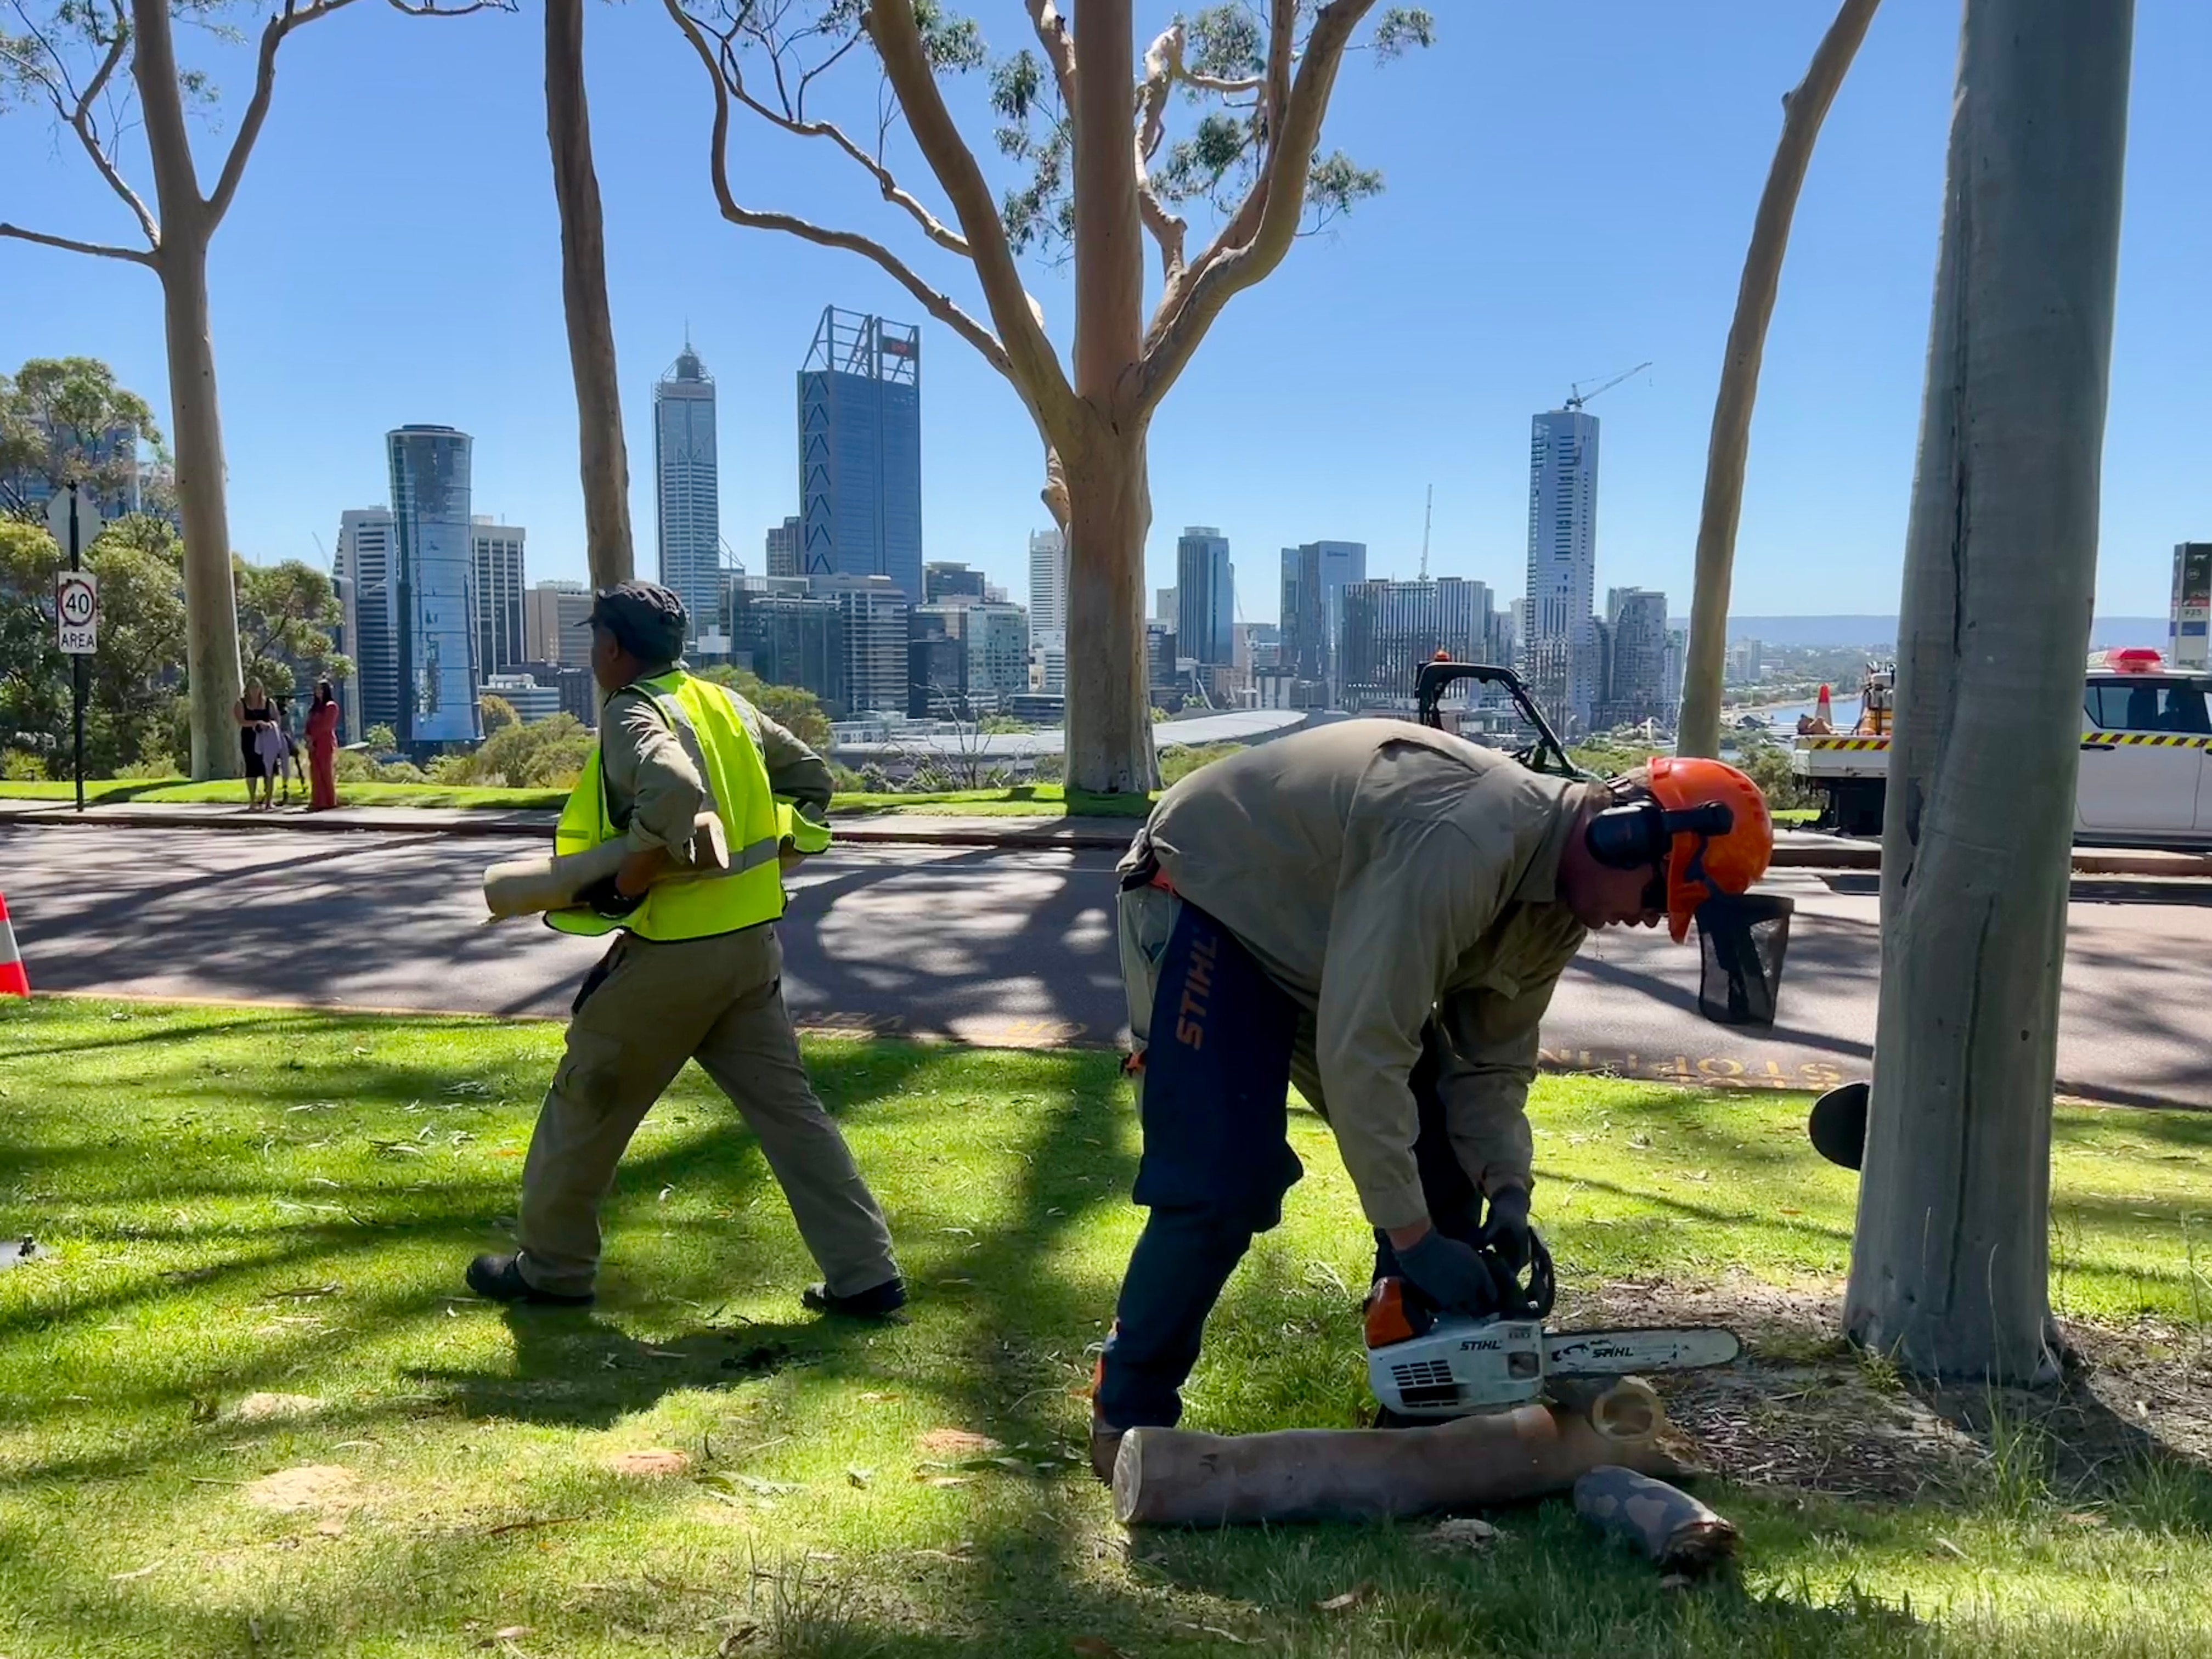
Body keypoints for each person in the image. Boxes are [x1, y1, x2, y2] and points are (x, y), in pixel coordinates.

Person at [1088, 723, 1774, 1477]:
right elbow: (1366, 1048)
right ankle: (1128, 1412)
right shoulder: (1464, 842)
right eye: (1655, 897)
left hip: (1327, 945)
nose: (1647, 920)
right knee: (1222, 1182)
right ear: (1621, 834)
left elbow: (1489, 1064)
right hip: (1214, 895)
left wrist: (1507, 1189)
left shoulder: (1557, 911)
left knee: (1443, 1161)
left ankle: (1424, 1417)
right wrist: (1413, 1240)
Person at [466, 581, 903, 1317]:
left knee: (586, 1102)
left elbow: (671, 786)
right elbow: (812, 781)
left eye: (594, 641)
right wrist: (770, 850)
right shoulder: (726, 704)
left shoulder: (633, 710)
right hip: (750, 953)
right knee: (791, 1116)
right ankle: (865, 1273)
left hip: (671, 958)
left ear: (611, 648)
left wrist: (630, 880)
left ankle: (553, 1269)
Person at [235, 679, 278, 810]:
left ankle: (269, 801)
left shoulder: (269, 703)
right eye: (252, 687)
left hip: (268, 739)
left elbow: (276, 719)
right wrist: (256, 724)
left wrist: (268, 725)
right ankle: (253, 801)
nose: (255, 690)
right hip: (250, 738)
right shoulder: (241, 703)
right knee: (252, 769)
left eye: (257, 687)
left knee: (269, 769)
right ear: (247, 689)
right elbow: (241, 721)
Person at [306, 681, 341, 812]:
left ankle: (329, 801)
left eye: (321, 690)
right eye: (316, 690)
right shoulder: (315, 708)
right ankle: (317, 800)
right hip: (313, 743)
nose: (318, 692)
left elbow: (326, 726)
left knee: (325, 771)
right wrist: (308, 738)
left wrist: (313, 738)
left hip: (324, 742)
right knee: (315, 772)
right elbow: (309, 725)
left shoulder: (331, 706)